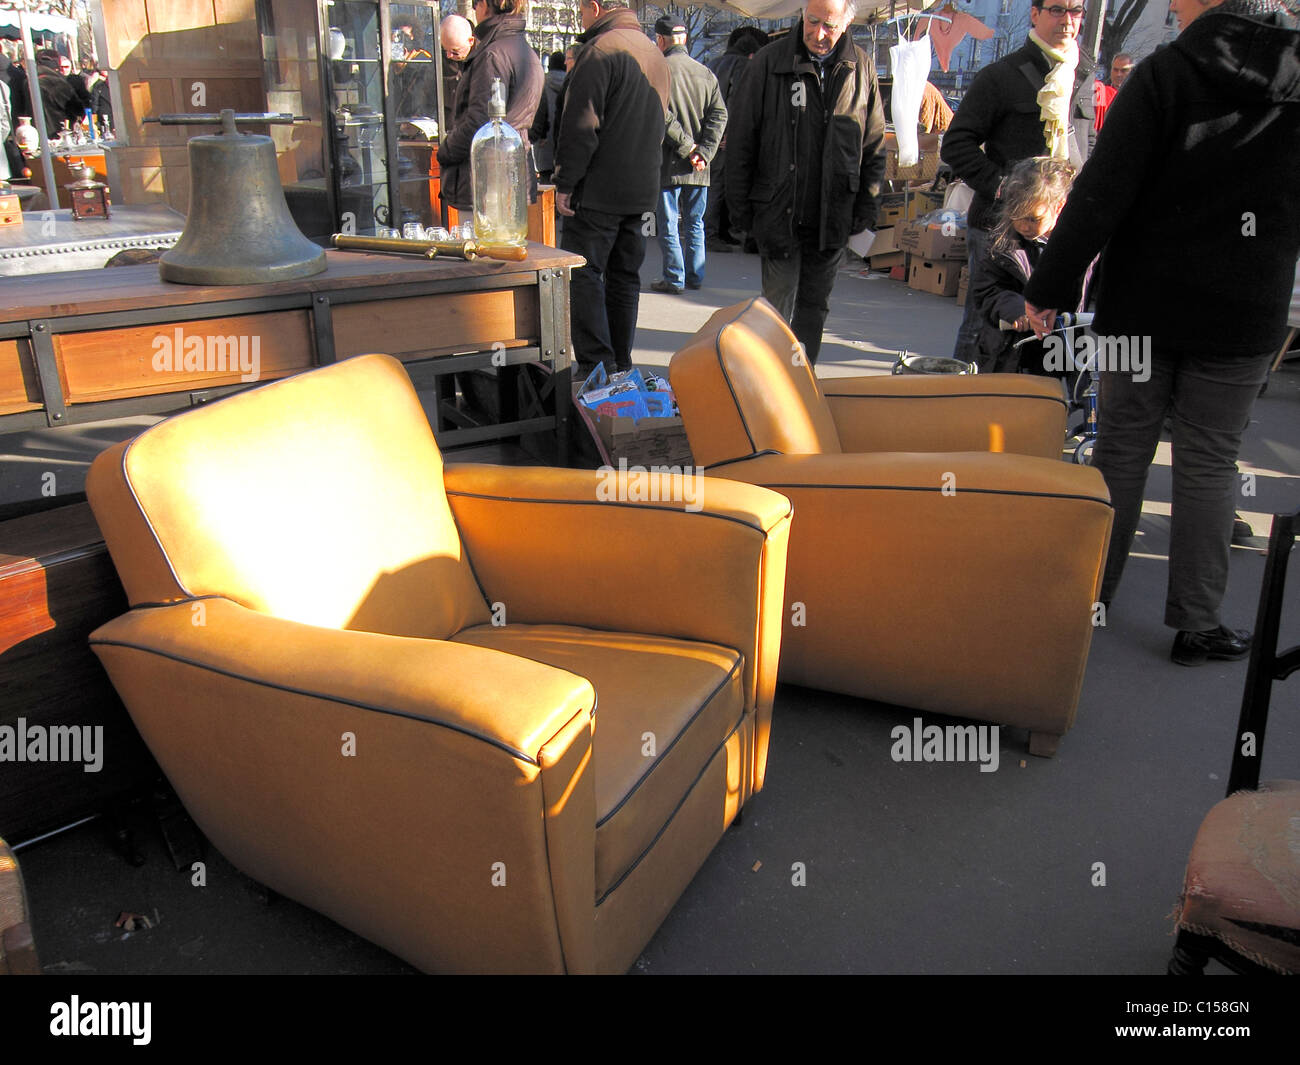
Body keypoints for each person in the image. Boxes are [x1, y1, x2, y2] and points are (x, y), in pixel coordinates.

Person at [1023, 0, 1300, 665]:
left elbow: (1103, 191)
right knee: (1210, 458)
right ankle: (1199, 621)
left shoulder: (1166, 75)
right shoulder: (1294, 81)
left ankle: (1092, 594)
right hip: (1245, 307)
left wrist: (1050, 286)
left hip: (1145, 301)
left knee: (1121, 446)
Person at [725, 0, 886, 365]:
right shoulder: (769, 61)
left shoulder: (860, 65)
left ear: (847, 21)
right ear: (802, 14)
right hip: (778, 209)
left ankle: (801, 382)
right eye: (812, 22)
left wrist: (866, 207)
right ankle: (769, 386)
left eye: (829, 25)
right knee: (775, 312)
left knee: (814, 309)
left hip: (833, 212)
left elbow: (873, 145)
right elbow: (741, 140)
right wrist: (740, 209)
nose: (819, 33)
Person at [940, 1, 1095, 366]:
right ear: (1035, 14)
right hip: (1000, 228)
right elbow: (956, 144)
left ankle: (1031, 409)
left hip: (1060, 227)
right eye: (1057, 9)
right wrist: (1005, 188)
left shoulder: (1082, 75)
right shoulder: (1002, 75)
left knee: (1052, 324)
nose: (1067, 20)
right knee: (984, 324)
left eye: (1076, 12)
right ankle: (960, 405)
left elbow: (1086, 146)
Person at [552, 0, 670, 373]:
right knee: (623, 278)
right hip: (639, 188)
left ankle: (596, 366)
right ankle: (618, 364)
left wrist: (566, 181)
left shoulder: (601, 50)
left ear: (596, 6)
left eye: (582, 9)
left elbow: (581, 126)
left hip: (598, 189)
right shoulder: (654, 52)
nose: (581, 17)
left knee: (583, 274)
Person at [971, 156, 1079, 373]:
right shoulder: (1001, 243)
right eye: (1016, 216)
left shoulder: (1078, 243)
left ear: (1058, 207)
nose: (1023, 225)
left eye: (1033, 219)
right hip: (1010, 352)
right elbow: (986, 289)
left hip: (1067, 348)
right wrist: (1016, 309)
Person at [435, 0, 542, 216]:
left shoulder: (493, 54)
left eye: (476, 4)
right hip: (511, 172)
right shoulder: (526, 52)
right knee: (505, 245)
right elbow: (540, 122)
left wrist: (445, 151)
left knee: (481, 247)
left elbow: (480, 123)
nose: (475, 10)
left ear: (484, 5)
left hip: (488, 180)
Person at [651, 18, 727, 295]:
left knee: (669, 223)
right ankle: (695, 275)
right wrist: (704, 152)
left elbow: (661, 115)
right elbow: (720, 116)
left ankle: (674, 277)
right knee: (695, 222)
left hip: (668, 162)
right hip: (699, 167)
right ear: (684, 39)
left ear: (661, 40)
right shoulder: (706, 73)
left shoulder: (660, 72)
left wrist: (687, 148)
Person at [704, 25, 768, 252]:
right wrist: (731, 133)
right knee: (720, 184)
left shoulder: (712, 63)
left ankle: (716, 232)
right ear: (752, 54)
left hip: (707, 132)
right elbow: (737, 101)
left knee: (710, 184)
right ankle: (710, 235)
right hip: (724, 135)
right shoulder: (743, 66)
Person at [528, 51, 566, 184]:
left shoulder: (541, 82)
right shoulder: (573, 83)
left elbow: (539, 109)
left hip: (544, 144)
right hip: (565, 146)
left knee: (545, 189)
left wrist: (541, 134)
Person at [439, 14, 475, 131]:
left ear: (470, 41)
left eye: (455, 51)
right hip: (447, 131)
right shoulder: (441, 62)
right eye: (445, 50)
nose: (449, 56)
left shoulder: (485, 61)